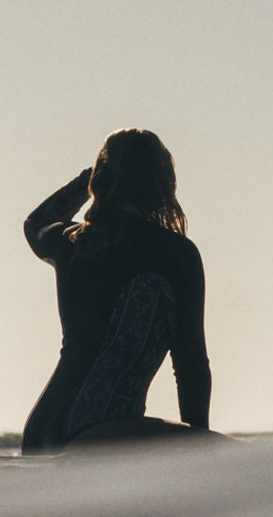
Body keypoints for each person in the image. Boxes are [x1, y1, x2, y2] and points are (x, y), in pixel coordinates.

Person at [21, 130, 212, 453]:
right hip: (100, 435)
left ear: (102, 178)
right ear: (163, 182)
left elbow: (37, 221)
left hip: (42, 433)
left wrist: (91, 177)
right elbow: (191, 365)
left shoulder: (72, 241)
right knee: (244, 461)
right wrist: (199, 450)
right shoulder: (176, 253)